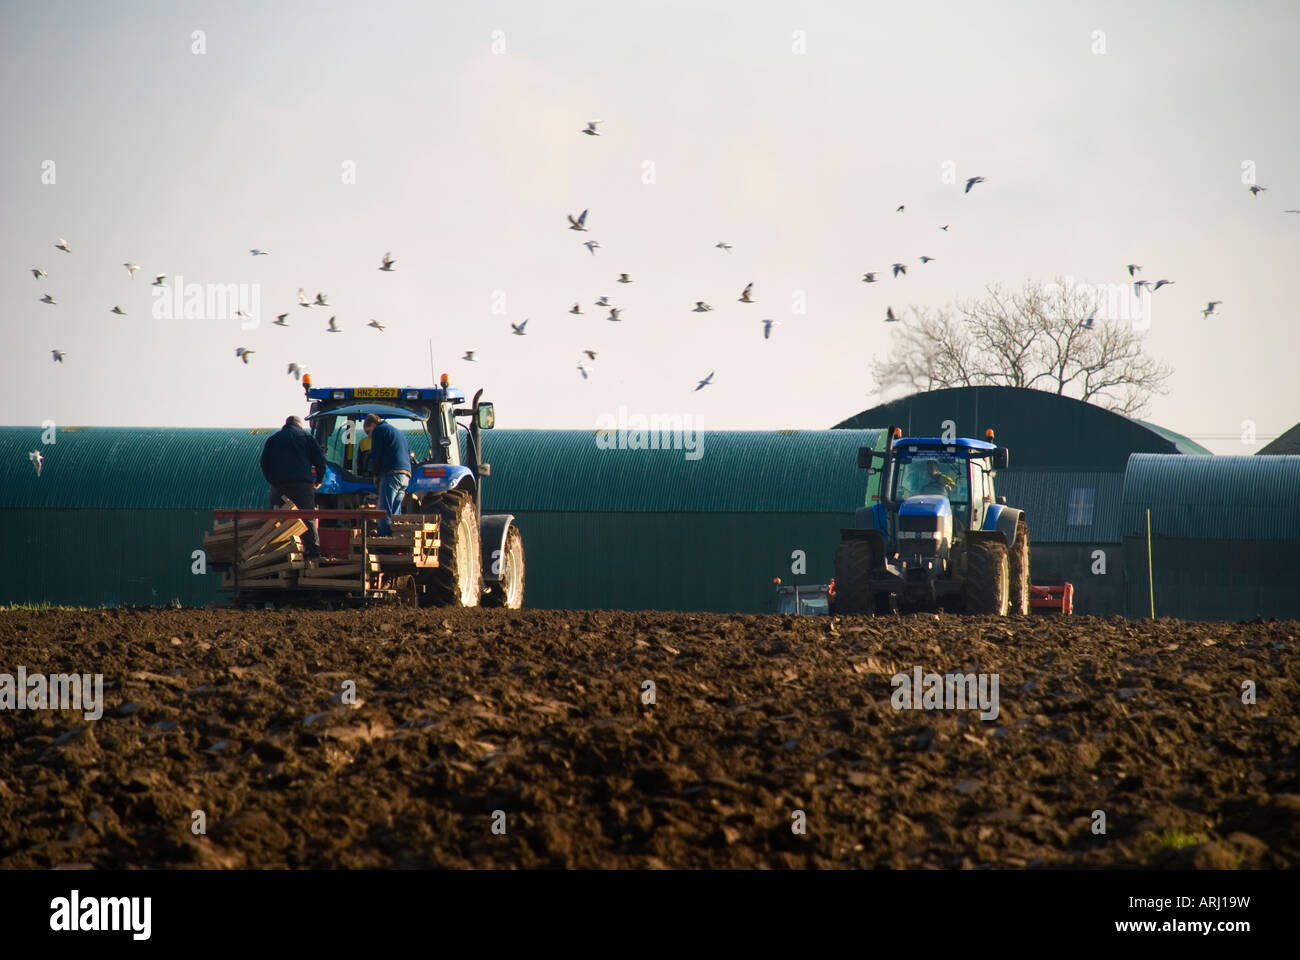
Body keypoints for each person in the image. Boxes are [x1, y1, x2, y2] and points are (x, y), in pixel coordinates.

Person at [259, 415, 325, 559]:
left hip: (279, 486)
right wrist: (319, 480)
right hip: (302, 485)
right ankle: (314, 553)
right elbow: (320, 461)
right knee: (308, 517)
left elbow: (263, 462)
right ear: (300, 425)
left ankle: (274, 554)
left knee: (276, 519)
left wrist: (271, 479)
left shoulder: (273, 439)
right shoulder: (307, 438)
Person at [363, 414, 411, 536]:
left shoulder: (379, 430)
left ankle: (383, 543)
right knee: (395, 512)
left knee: (384, 511)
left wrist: (375, 475)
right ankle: (396, 539)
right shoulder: (396, 432)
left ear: (373, 425)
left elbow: (377, 455)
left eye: (368, 432)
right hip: (405, 476)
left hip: (392, 475)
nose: (369, 436)